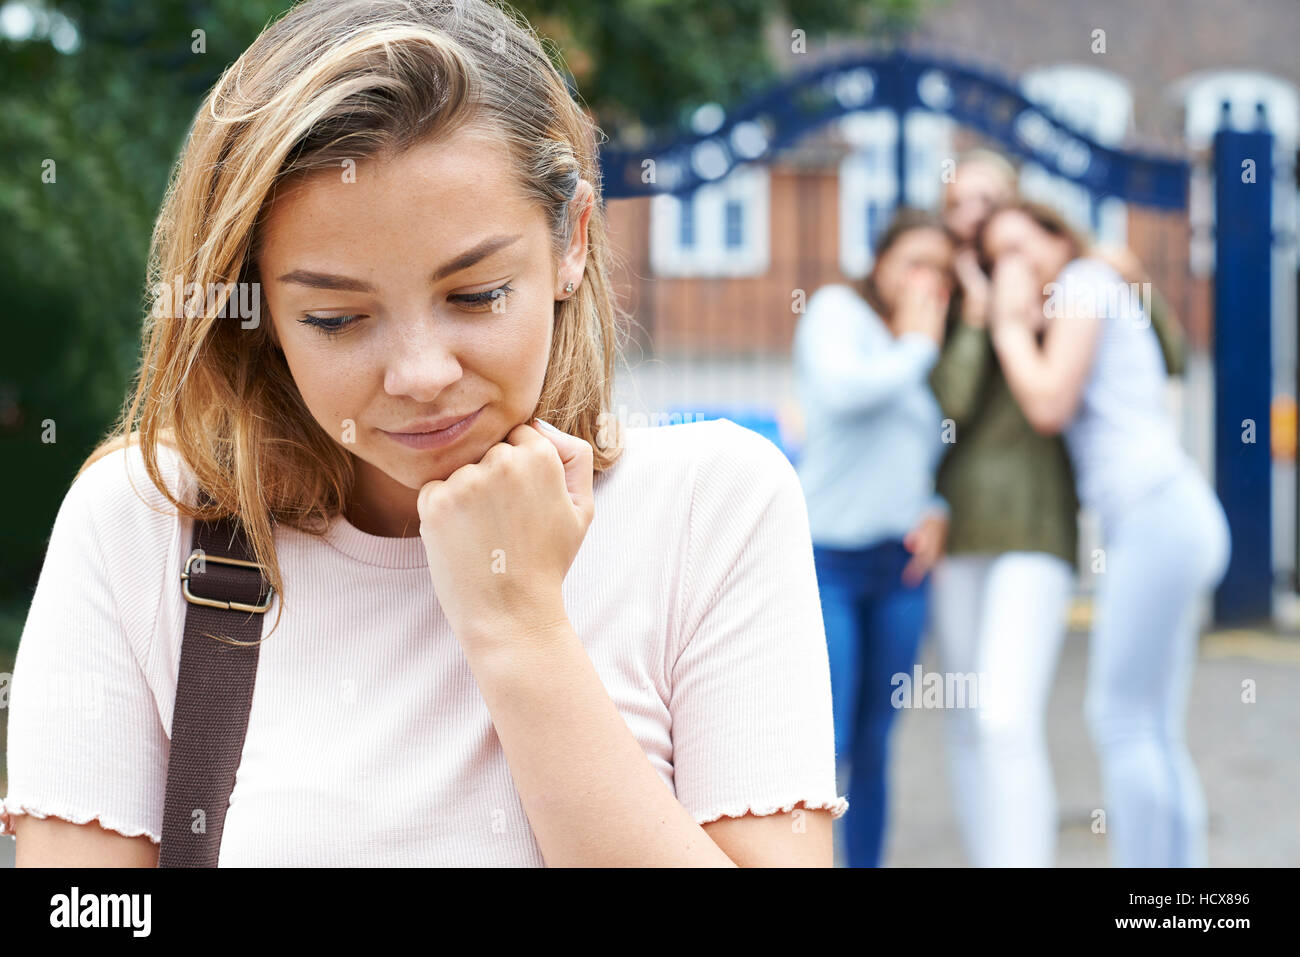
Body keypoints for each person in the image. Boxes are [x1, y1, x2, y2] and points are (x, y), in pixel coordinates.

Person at [0, 0, 848, 867]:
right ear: (254, 309)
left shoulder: (715, 511)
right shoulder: (141, 528)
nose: (419, 373)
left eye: (475, 295)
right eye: (335, 317)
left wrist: (517, 627)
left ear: (572, 241)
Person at [978, 199, 1230, 868]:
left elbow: (1049, 402)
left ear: (1057, 233)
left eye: (1022, 243)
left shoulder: (1087, 283)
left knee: (1119, 720)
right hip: (1169, 513)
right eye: (997, 255)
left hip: (1155, 514)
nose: (1014, 263)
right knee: (1152, 725)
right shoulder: (1094, 284)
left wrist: (1006, 326)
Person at [929, 151, 1082, 867]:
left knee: (1004, 717)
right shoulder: (948, 297)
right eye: (960, 202)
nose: (976, 214)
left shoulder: (1057, 281)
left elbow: (1165, 349)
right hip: (959, 531)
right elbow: (950, 403)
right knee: (965, 719)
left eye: (989, 198)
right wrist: (977, 316)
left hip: (1034, 523)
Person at [793, 208, 953, 867]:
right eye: (914, 261)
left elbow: (920, 451)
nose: (926, 280)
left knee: (877, 741)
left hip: (901, 569)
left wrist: (935, 504)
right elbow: (843, 393)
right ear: (881, 262)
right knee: (822, 740)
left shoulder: (924, 344)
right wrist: (919, 346)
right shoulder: (838, 314)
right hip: (827, 560)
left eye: (941, 270)